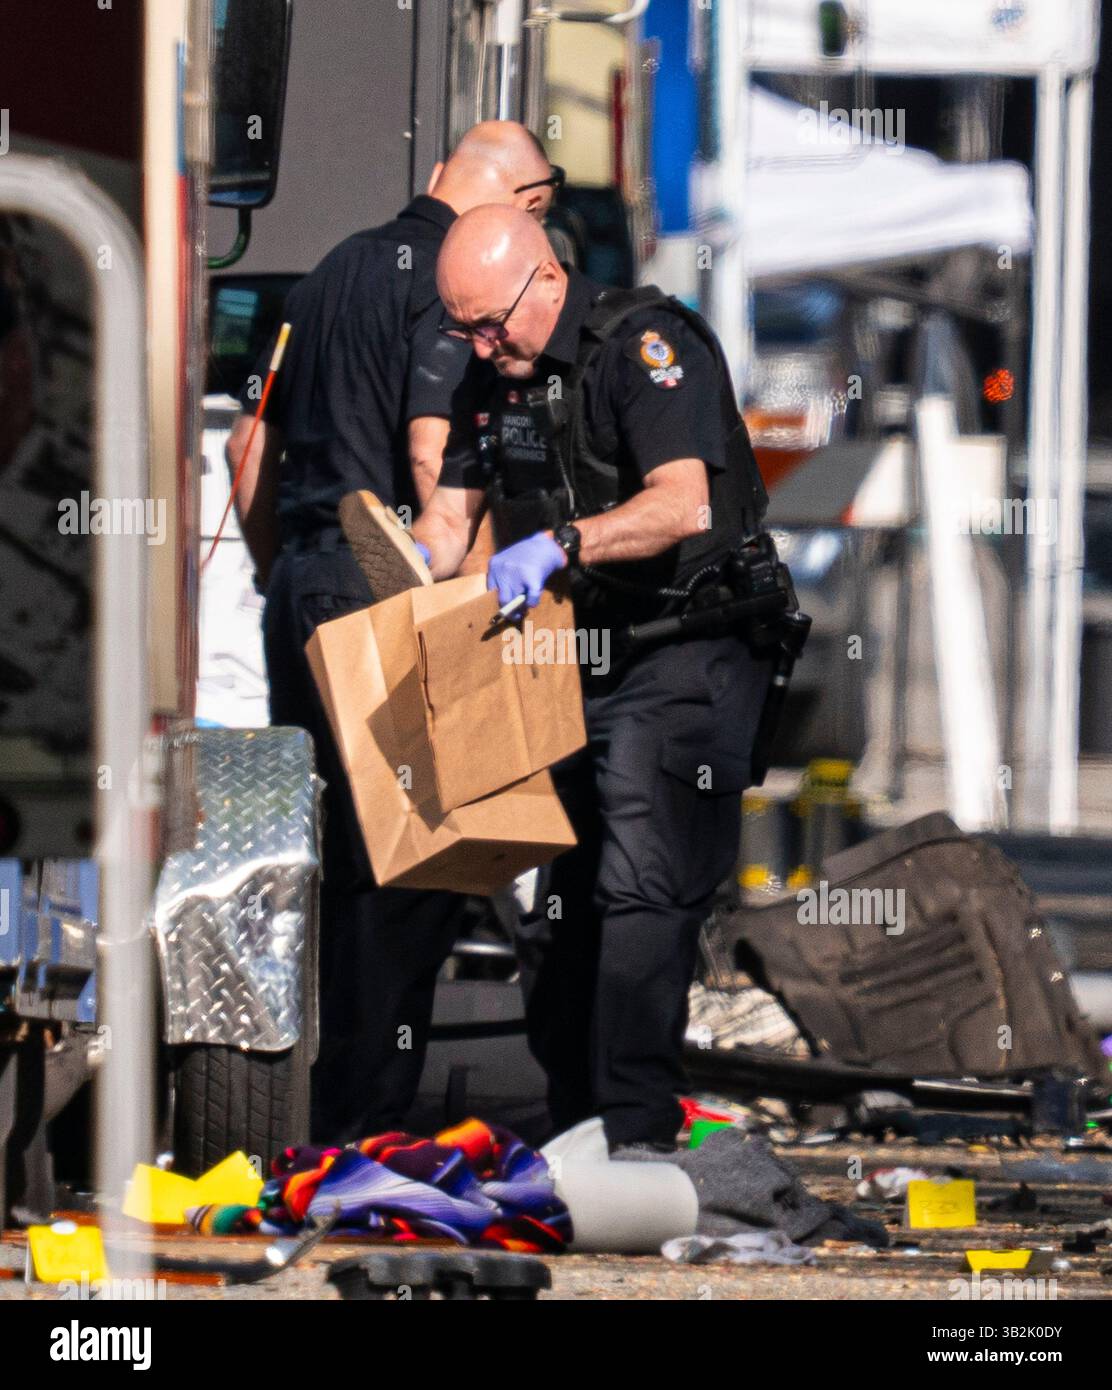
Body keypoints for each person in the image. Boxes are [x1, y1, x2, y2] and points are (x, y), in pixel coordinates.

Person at [414, 205, 777, 1153]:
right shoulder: (492, 376)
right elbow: (451, 523)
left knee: (641, 893)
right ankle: (575, 1129)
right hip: (578, 656)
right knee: (559, 907)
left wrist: (564, 542)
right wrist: (402, 574)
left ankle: (637, 1132)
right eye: (467, 331)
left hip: (689, 644)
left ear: (545, 276)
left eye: (494, 323)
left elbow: (681, 501)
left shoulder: (644, 347)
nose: (486, 347)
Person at [225, 125, 562, 1143]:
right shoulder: (458, 285)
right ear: (524, 207)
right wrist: (475, 611)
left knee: (319, 860)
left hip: (304, 581)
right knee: (414, 868)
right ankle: (364, 1120)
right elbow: (432, 463)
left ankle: (300, 1105)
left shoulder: (325, 274)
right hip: (394, 588)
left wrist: (279, 569)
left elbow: (250, 452)